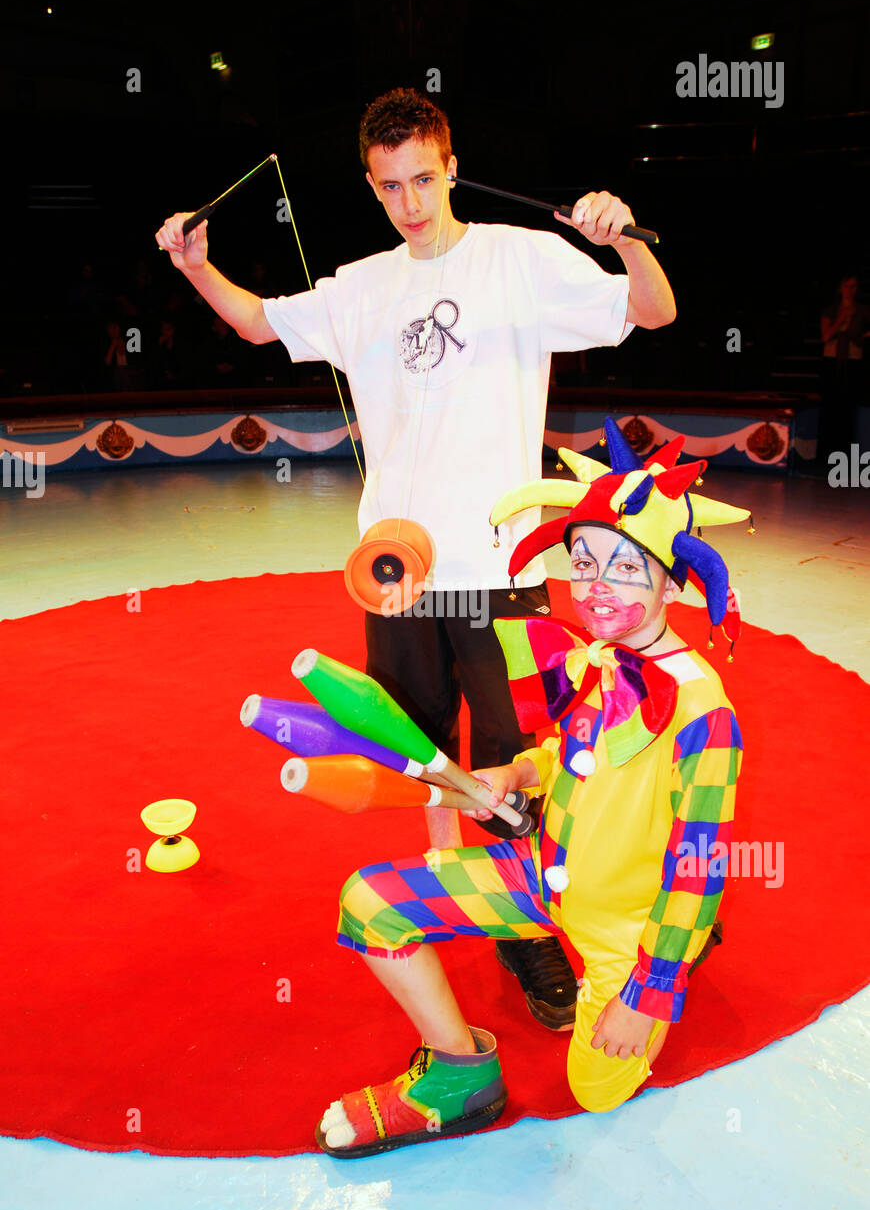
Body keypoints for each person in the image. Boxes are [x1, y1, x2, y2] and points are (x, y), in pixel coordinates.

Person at [154, 88, 676, 1032]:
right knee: (427, 757)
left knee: (518, 762)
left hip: (501, 566)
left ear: (449, 163)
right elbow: (256, 323)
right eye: (390, 186)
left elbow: (655, 308)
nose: (411, 203)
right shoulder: (360, 285)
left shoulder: (519, 260)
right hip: (398, 576)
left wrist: (624, 234)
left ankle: (528, 929)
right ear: (371, 182)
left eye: (425, 180)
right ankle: (454, 892)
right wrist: (197, 267)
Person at [316, 419, 750, 1156]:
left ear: (674, 580)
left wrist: (648, 997)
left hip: (626, 921)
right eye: (584, 564)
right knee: (370, 906)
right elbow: (565, 752)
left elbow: (699, 867)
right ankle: (461, 1076)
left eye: (624, 567)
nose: (596, 588)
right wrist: (521, 770)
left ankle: (681, 951)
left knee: (598, 1088)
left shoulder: (706, 712)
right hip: (541, 876)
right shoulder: (603, 659)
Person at [818, 275, 870, 468]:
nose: (851, 289)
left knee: (848, 409)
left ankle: (846, 456)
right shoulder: (831, 311)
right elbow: (826, 336)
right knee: (830, 407)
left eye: (854, 286)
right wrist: (842, 317)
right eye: (848, 286)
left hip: (853, 361)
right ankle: (826, 455)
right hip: (832, 361)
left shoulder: (863, 311)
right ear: (841, 288)